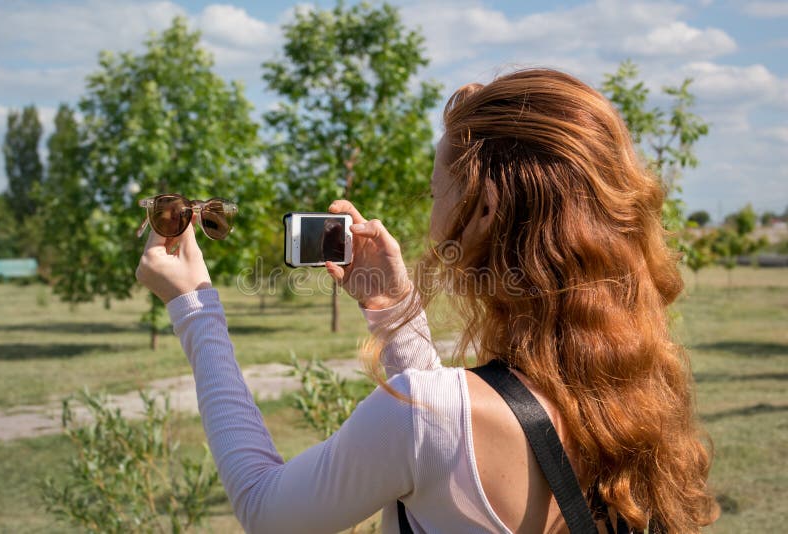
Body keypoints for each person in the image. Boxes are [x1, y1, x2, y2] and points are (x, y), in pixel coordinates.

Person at [136, 68, 719, 534]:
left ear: (484, 211)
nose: (430, 211)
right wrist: (393, 307)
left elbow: (265, 510)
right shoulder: (632, 392)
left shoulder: (421, 414)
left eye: (437, 191)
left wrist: (194, 307)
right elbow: (455, 444)